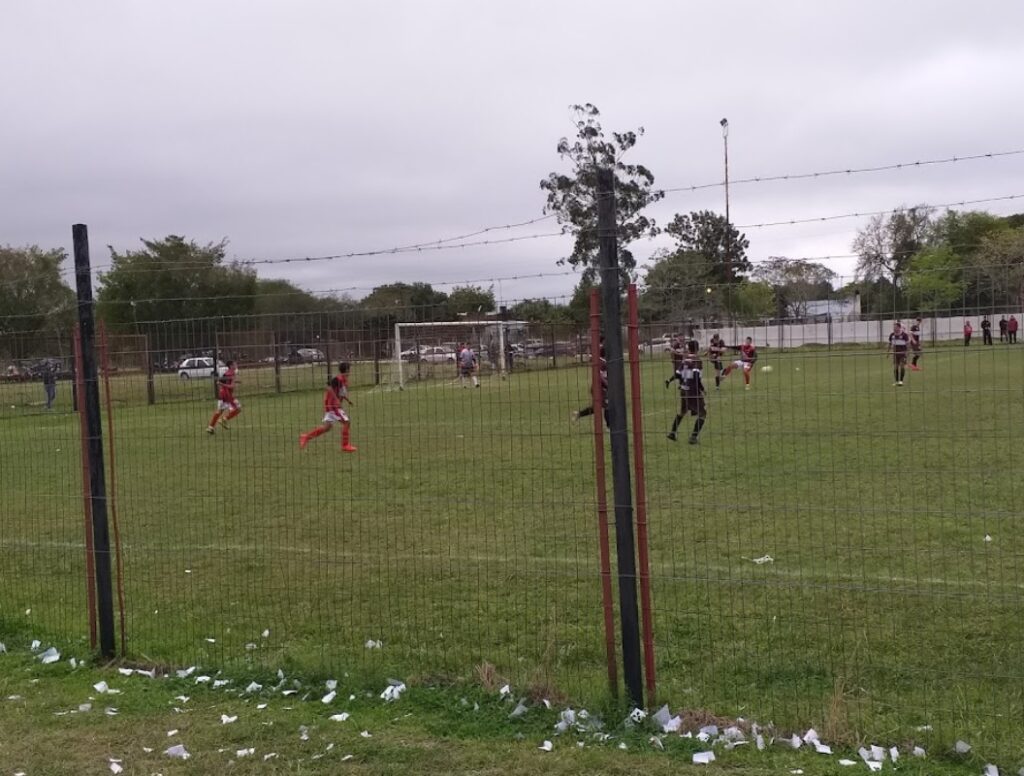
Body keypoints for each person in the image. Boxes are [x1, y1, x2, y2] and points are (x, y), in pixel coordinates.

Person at [299, 364, 356, 452]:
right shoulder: (338, 379)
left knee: (327, 427)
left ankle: (306, 436)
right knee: (347, 422)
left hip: (331, 406)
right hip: (333, 406)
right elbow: (329, 387)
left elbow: (341, 393)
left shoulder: (344, 380)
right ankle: (345, 445)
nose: (350, 371)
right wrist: (337, 400)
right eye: (349, 369)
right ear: (347, 370)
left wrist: (347, 400)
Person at [667, 340, 707, 445]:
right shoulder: (697, 360)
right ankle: (693, 437)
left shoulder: (685, 360)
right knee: (703, 414)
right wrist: (702, 389)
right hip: (693, 391)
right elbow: (696, 377)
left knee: (682, 412)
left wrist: (670, 381)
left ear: (688, 348)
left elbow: (678, 374)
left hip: (684, 390)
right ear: (697, 349)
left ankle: (672, 432)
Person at [572, 337, 607, 425]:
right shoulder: (602, 362)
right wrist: (607, 385)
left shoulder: (605, 361)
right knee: (608, 405)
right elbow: (599, 376)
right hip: (599, 388)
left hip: (601, 387)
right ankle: (609, 426)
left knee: (597, 408)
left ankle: (579, 414)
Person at [206, 360, 241, 434]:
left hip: (221, 395)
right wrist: (224, 384)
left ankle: (210, 427)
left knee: (219, 411)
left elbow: (222, 382)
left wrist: (234, 382)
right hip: (227, 395)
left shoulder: (226, 373)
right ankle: (224, 419)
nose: (236, 365)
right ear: (231, 366)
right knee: (238, 408)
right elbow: (230, 386)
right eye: (235, 364)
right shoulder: (232, 374)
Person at [887, 321, 910, 386]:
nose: (894, 328)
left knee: (902, 366)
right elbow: (890, 344)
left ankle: (901, 381)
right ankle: (896, 381)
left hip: (903, 353)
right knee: (896, 367)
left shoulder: (904, 335)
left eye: (896, 327)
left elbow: (908, 345)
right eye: (894, 327)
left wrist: (907, 352)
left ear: (899, 328)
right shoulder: (892, 335)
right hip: (895, 354)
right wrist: (888, 352)